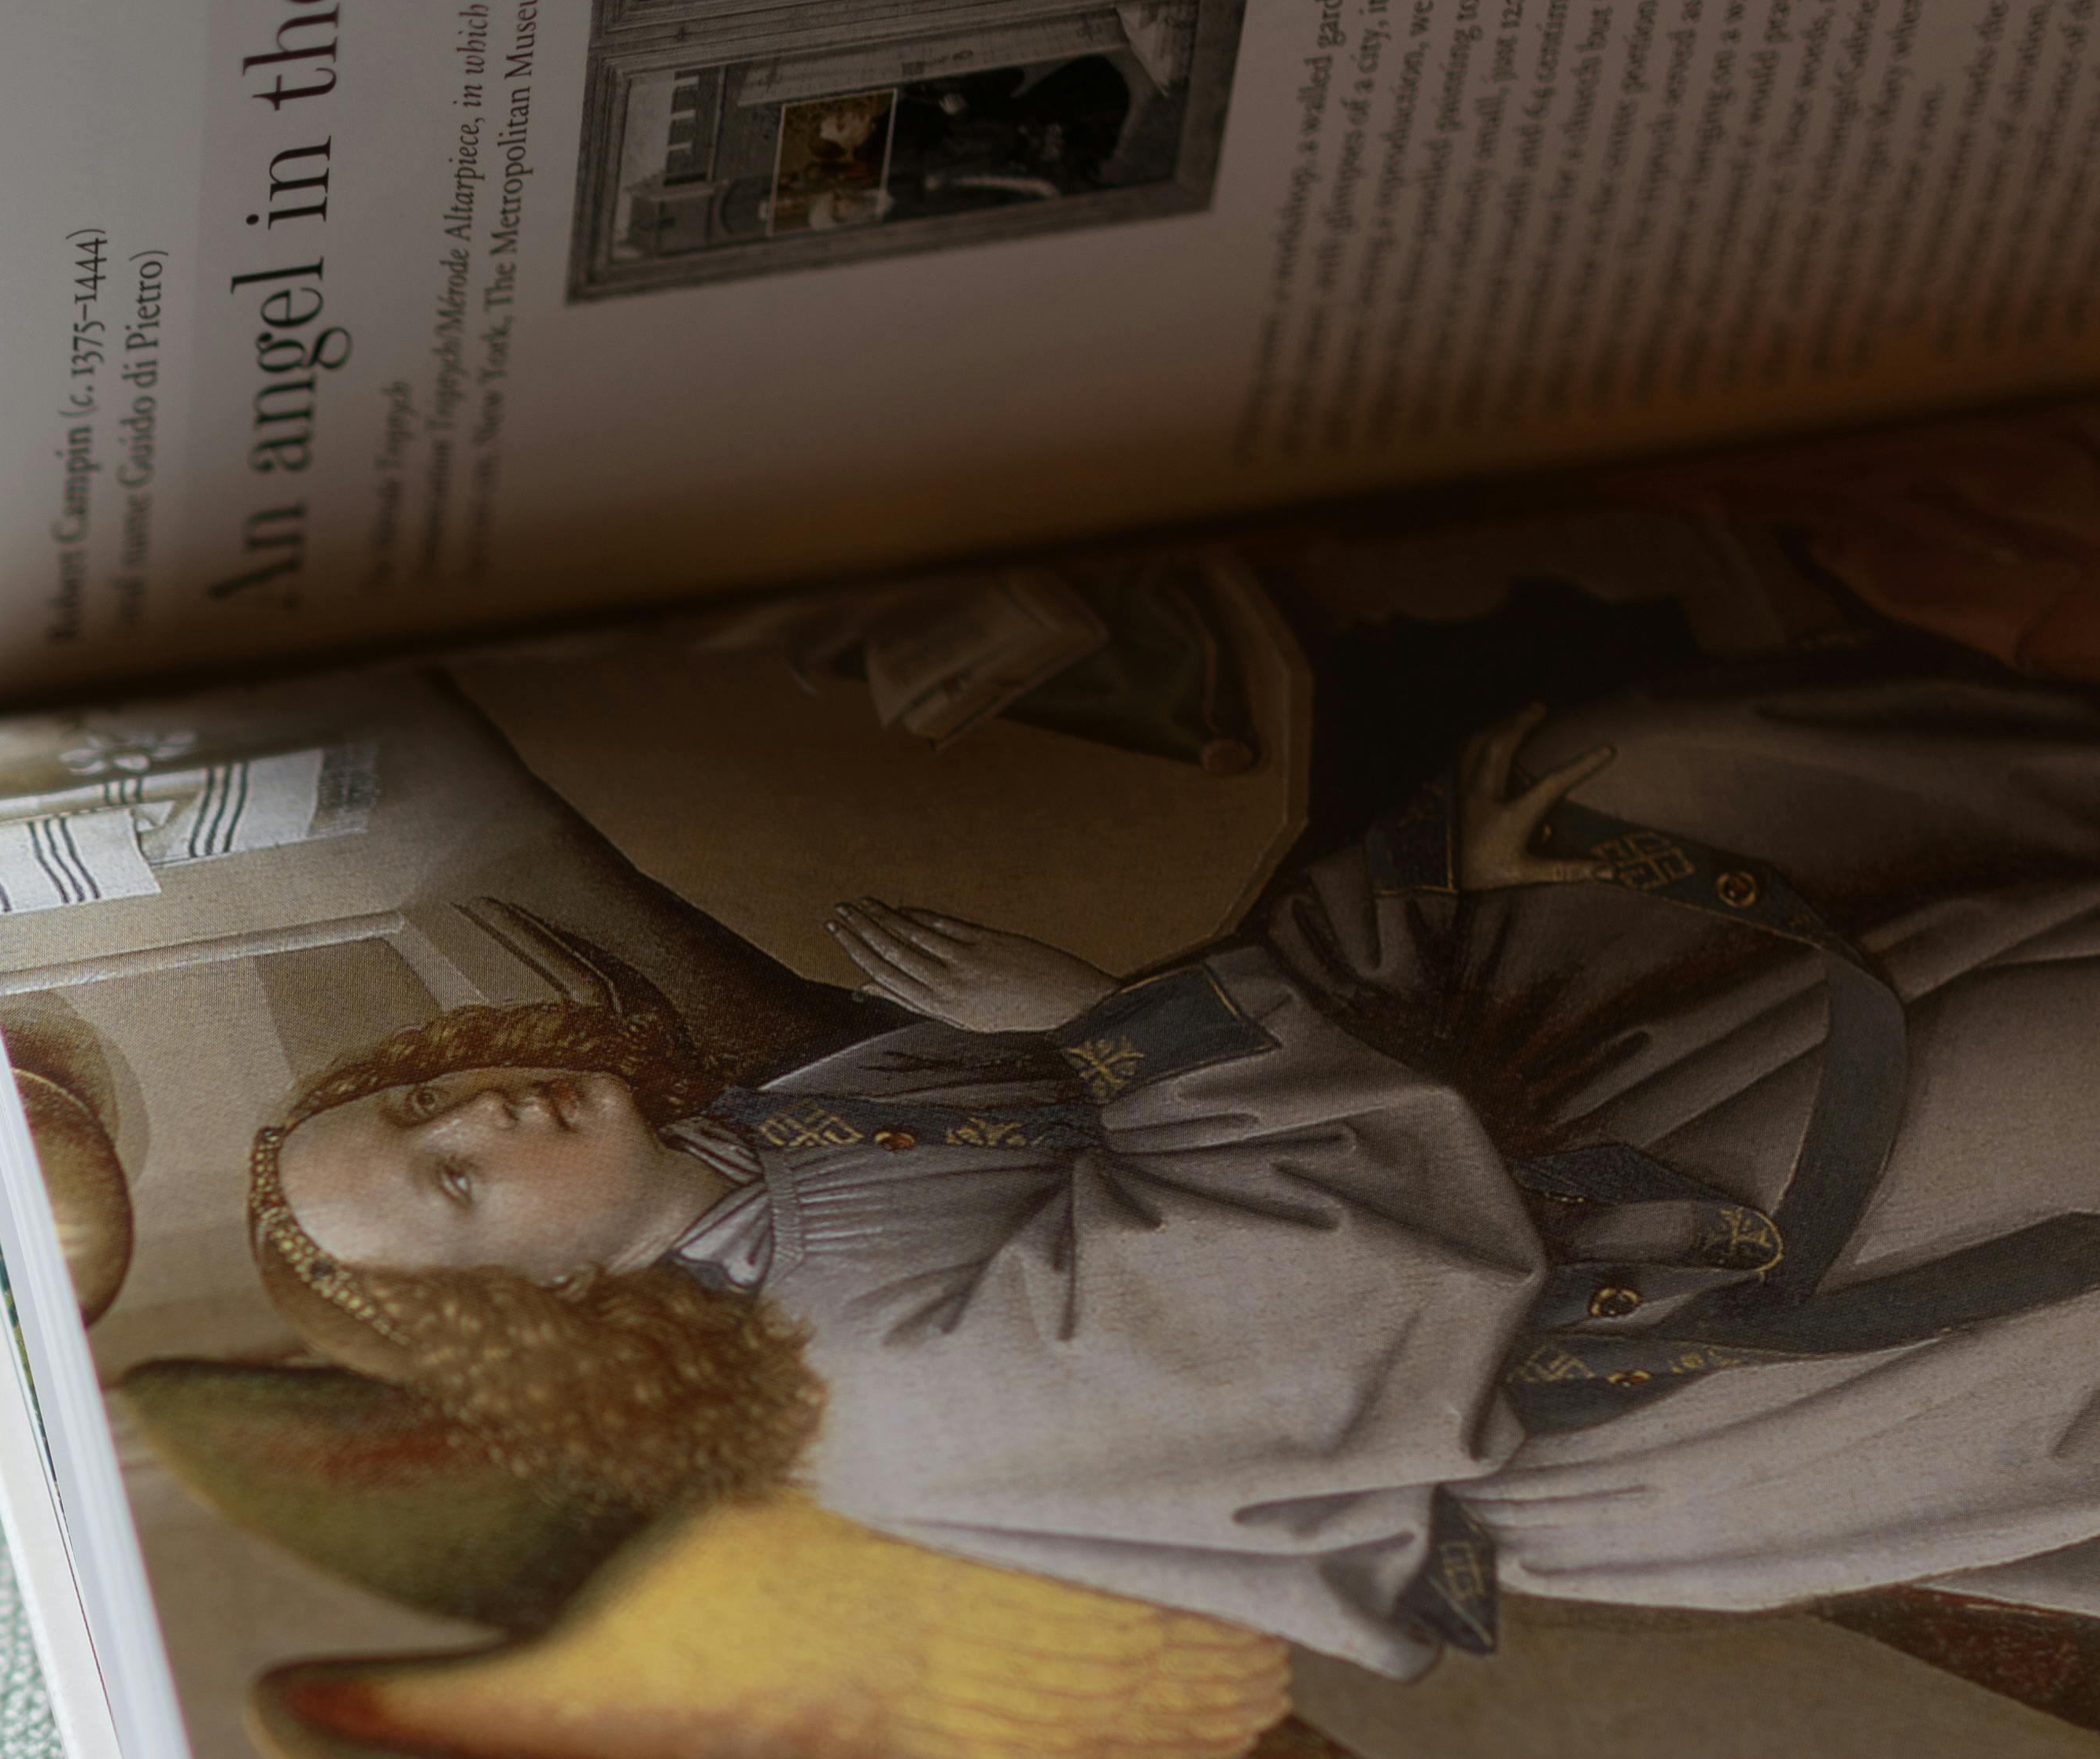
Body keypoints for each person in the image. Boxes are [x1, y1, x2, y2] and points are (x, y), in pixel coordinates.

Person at [247, 674, 2100, 1678]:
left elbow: (884, 1069)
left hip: (1499, 1172)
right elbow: (1316, 1298)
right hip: (1613, 1368)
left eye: (442, 1097)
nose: (485, 1119)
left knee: (1620, 771)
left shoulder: (758, 1156)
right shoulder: (857, 1398)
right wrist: (1113, 1020)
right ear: (546, 1307)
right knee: (2047, 1084)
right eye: (453, 1186)